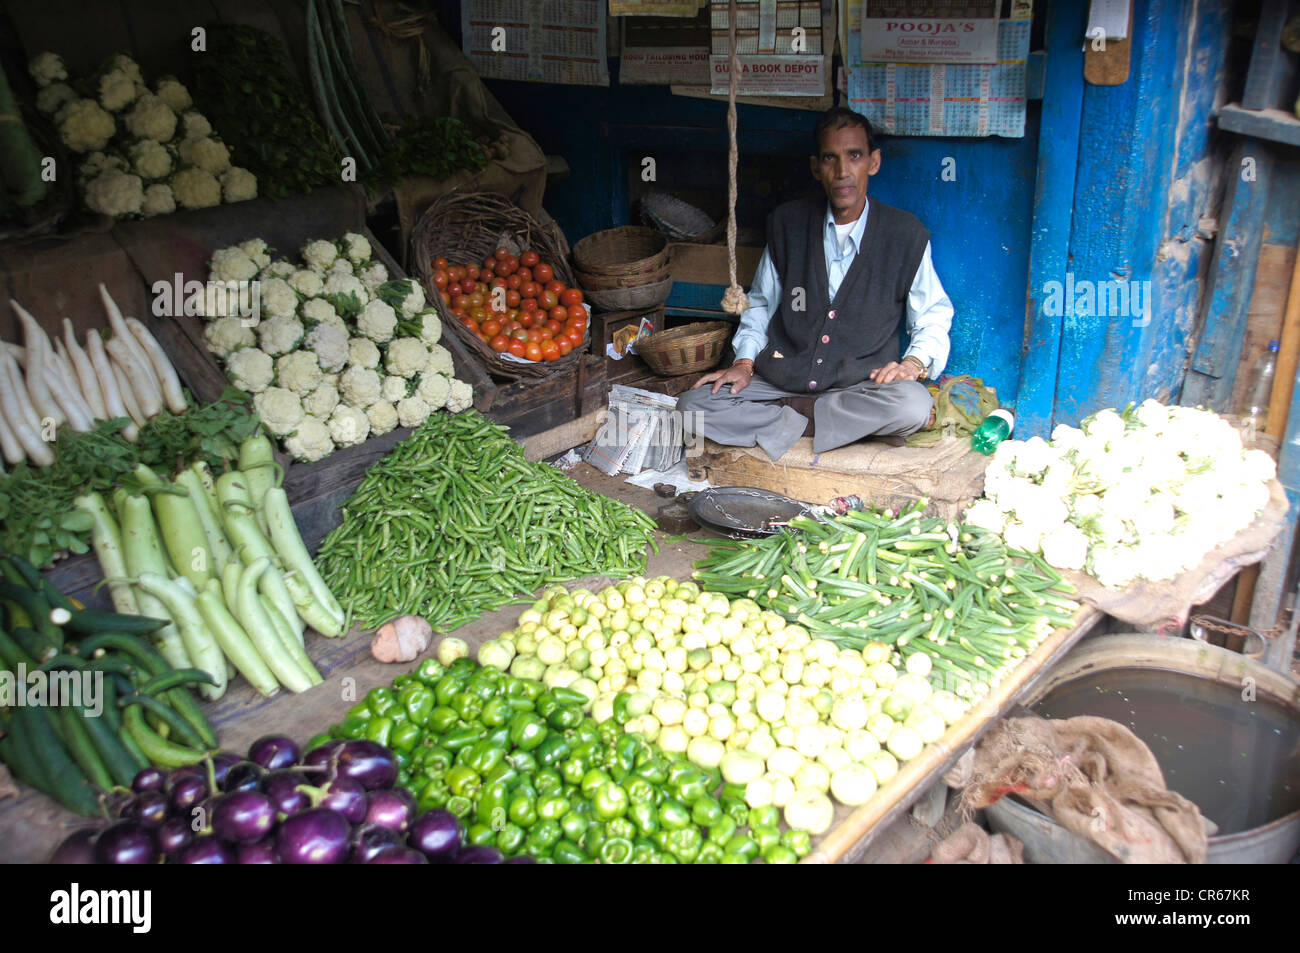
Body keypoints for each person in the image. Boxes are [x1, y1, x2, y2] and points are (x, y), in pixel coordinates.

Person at [677, 107, 954, 462]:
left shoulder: (905, 235)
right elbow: (761, 304)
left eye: (854, 156)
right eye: (830, 158)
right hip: (778, 383)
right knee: (692, 405)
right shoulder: (788, 225)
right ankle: (826, 426)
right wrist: (744, 363)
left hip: (857, 388)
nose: (842, 171)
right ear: (815, 167)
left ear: (873, 162)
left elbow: (932, 315)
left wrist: (913, 363)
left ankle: (790, 422)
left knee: (913, 405)